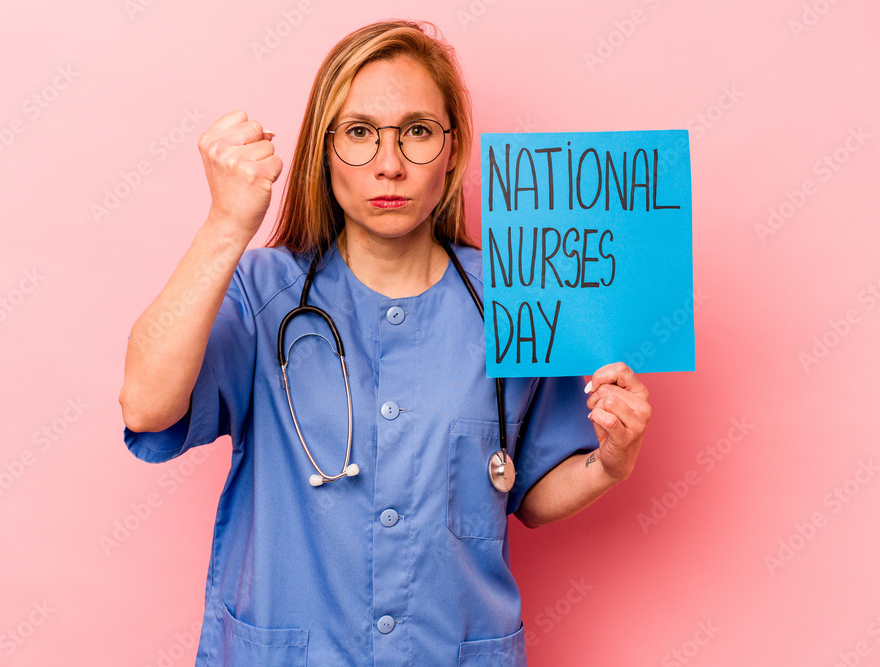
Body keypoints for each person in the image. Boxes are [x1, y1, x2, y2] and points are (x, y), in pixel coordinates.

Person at [119, 19, 651, 666]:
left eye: (418, 132)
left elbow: (528, 491)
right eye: (359, 132)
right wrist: (227, 223)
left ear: (452, 150)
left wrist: (610, 462)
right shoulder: (263, 292)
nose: (390, 164)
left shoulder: (517, 296)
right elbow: (146, 406)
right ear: (324, 150)